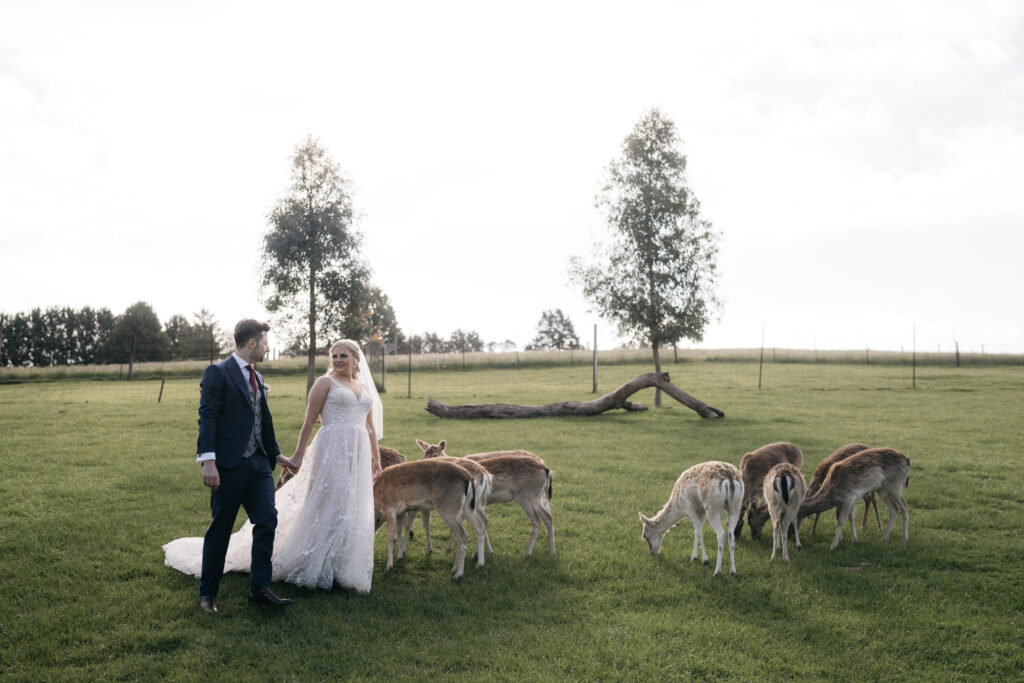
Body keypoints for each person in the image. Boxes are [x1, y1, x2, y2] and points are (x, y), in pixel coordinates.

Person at [164, 339, 383, 596]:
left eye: (343, 356)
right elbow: (309, 422)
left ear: (356, 359)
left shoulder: (363, 387)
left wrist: (376, 458)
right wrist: (299, 456)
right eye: (334, 356)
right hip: (331, 449)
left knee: (349, 506)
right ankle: (310, 563)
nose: (337, 360)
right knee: (326, 503)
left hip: (356, 453)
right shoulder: (325, 383)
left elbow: (369, 427)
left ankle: (339, 565)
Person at [163, 319, 293, 613]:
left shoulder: (256, 377)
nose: (267, 348)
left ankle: (260, 589)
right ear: (252, 343)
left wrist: (276, 456)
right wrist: (208, 461)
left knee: (266, 521)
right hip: (229, 465)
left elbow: (263, 420)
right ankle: (207, 594)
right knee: (220, 528)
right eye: (265, 343)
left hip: (259, 465)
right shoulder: (217, 373)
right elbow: (207, 417)